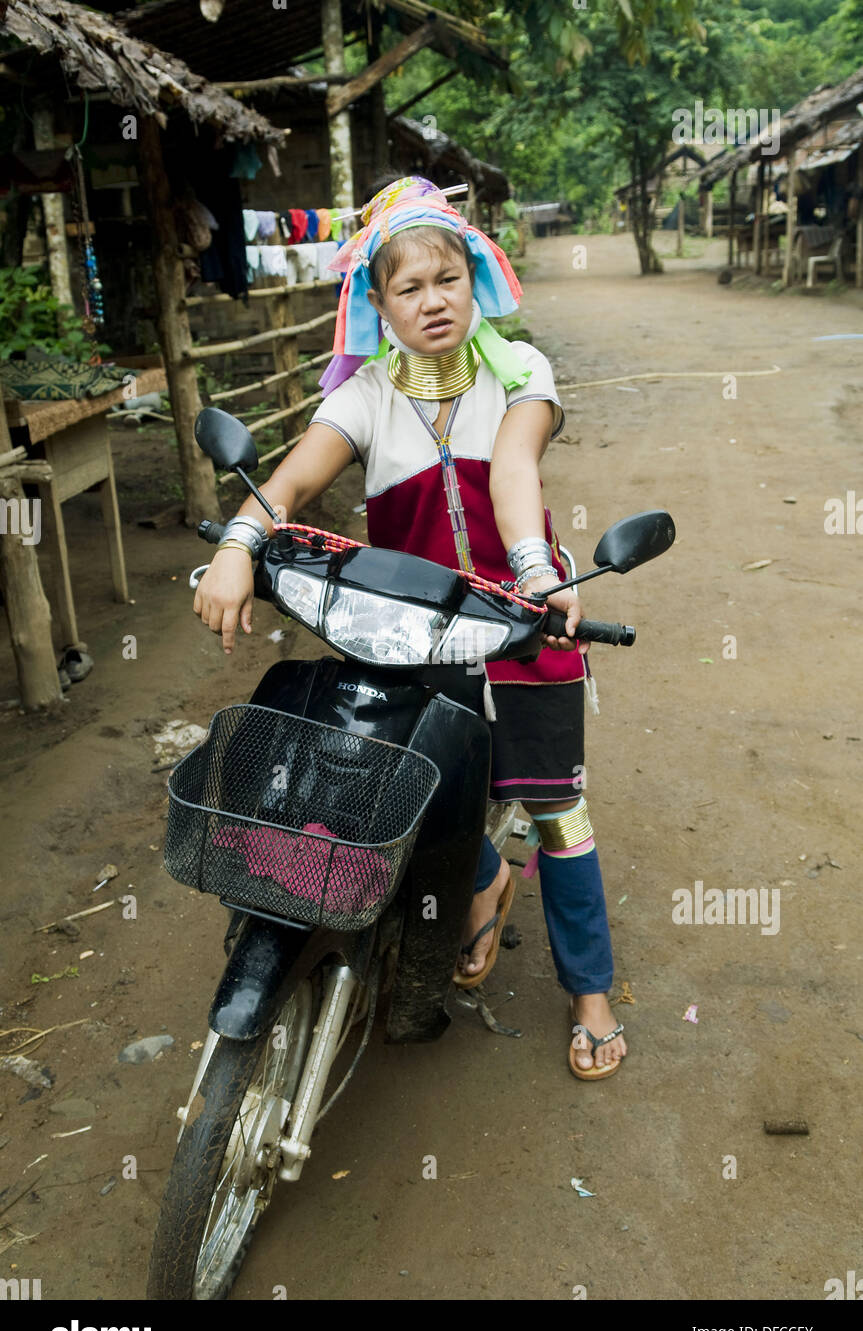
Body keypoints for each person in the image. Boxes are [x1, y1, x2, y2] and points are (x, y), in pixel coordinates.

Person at [193, 175, 626, 1080]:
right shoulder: (364, 397)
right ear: (377, 305)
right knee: (396, 793)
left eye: (448, 281)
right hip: (412, 635)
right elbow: (295, 481)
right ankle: (480, 882)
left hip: (522, 625)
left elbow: (514, 474)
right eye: (408, 288)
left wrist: (539, 575)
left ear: (477, 284)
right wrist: (240, 540)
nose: (433, 303)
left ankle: (591, 994)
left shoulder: (521, 372)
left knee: (555, 809)